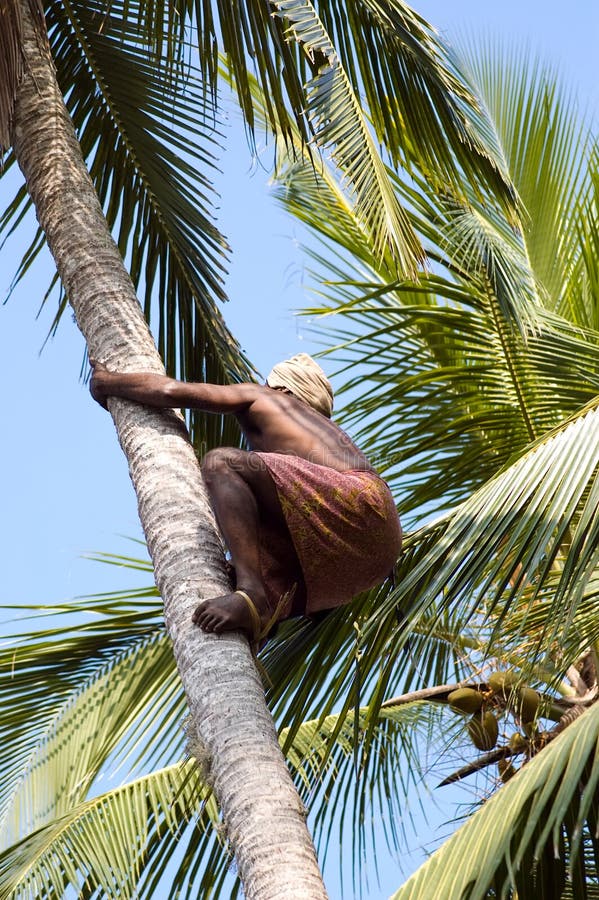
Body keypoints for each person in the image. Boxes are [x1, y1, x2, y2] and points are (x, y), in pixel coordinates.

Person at [90, 353, 402, 650]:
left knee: (222, 463)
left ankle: (252, 593)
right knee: (243, 567)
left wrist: (108, 382)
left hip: (356, 501)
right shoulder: (323, 432)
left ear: (281, 388)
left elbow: (172, 391)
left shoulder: (265, 397)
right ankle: (256, 617)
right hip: (378, 550)